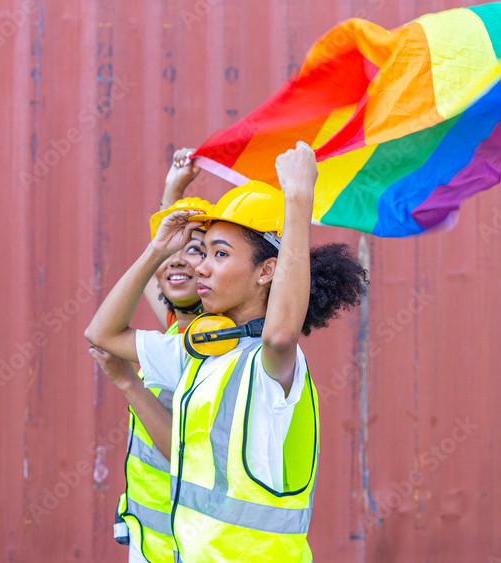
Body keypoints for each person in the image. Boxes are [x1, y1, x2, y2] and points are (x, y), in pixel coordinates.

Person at [85, 142, 368, 562]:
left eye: (219, 254)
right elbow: (102, 333)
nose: (200, 265)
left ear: (266, 272)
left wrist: (298, 198)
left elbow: (278, 335)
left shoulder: (269, 363)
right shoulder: (199, 351)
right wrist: (158, 249)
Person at [89, 149, 209, 563]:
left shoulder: (204, 347)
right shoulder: (182, 329)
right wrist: (173, 190)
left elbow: (102, 333)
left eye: (197, 251)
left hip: (183, 546)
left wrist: (126, 382)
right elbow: (169, 270)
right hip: (154, 539)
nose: (177, 258)